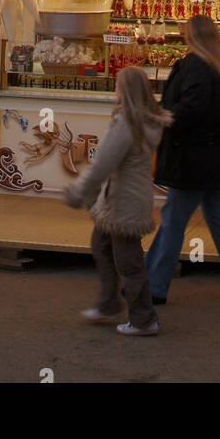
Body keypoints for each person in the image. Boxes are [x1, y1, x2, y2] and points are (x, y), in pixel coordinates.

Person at [146, 16, 220, 304]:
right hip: (213, 158)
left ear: (193, 35)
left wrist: (162, 116)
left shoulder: (196, 66)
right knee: (219, 217)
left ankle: (152, 286)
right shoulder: (216, 66)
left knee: (172, 220)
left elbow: (192, 110)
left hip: (194, 159)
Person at [64, 67, 170, 336]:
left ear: (125, 91)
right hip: (124, 198)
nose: (115, 90)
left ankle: (144, 319)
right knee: (101, 245)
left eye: (118, 86)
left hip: (123, 203)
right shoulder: (145, 122)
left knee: (128, 262)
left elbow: (102, 164)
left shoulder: (126, 124)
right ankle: (109, 303)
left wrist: (78, 191)